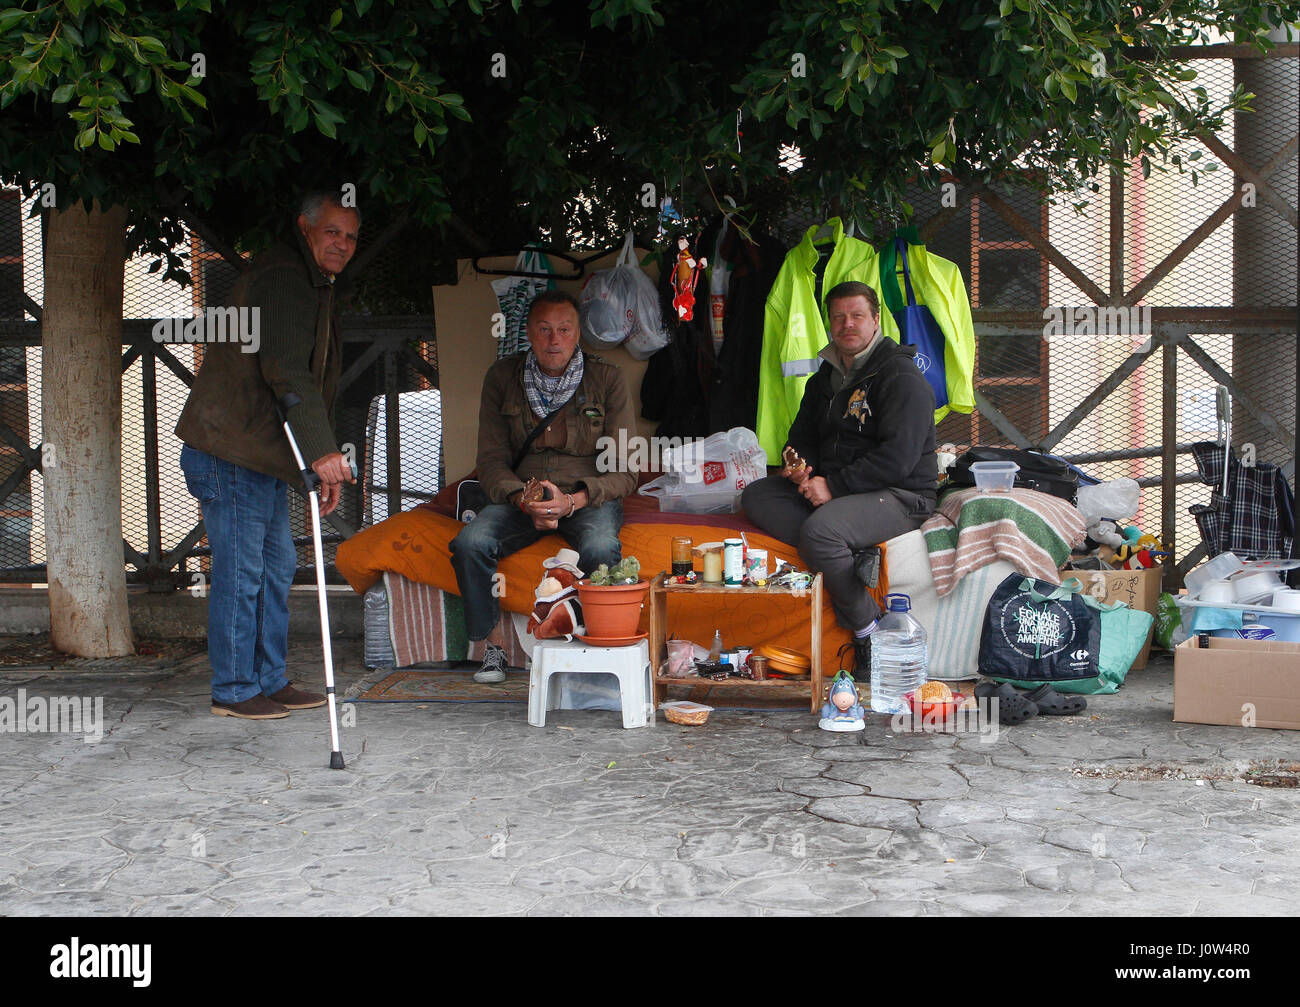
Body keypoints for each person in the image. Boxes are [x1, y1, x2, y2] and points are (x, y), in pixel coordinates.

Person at [175, 191, 359, 719]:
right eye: (332, 232)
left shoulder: (311, 283)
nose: (342, 244)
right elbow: (287, 371)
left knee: (277, 567)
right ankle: (234, 688)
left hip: (259, 454)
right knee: (243, 572)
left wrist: (311, 459)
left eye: (349, 236)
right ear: (304, 228)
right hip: (232, 454)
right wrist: (324, 453)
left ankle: (269, 679)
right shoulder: (284, 278)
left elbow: (301, 383)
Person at [741, 281, 938, 679]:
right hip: (843, 490)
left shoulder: (899, 375)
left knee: (821, 533)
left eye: (857, 316)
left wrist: (833, 487)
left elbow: (898, 459)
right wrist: (799, 466)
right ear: (829, 323)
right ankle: (845, 550)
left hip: (900, 494)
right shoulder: (825, 379)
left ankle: (869, 631)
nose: (847, 324)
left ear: (876, 320)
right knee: (758, 495)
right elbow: (801, 438)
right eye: (838, 317)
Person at [451, 290, 636, 683]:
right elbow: (489, 460)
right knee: (471, 543)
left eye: (564, 330)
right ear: (530, 335)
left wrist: (573, 500)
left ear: (577, 334)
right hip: (524, 493)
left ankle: (595, 644)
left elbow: (626, 469)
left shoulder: (607, 378)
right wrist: (522, 499)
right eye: (545, 330)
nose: (555, 340)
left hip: (587, 495)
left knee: (601, 547)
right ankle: (491, 648)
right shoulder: (503, 377)